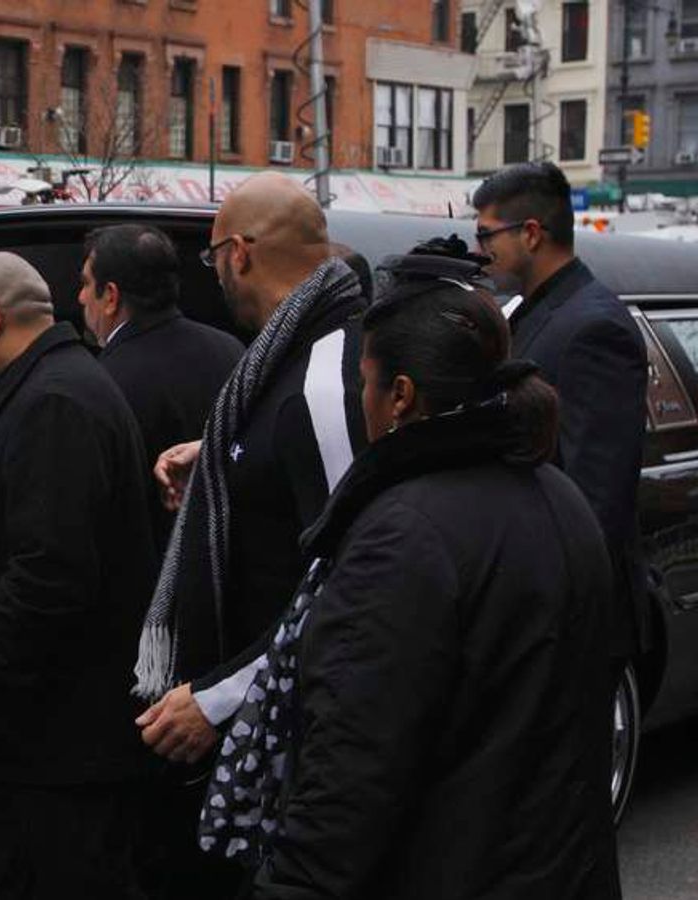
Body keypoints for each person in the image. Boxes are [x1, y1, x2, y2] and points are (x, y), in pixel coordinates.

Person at [214, 254, 620, 899]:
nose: (362, 401)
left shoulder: (402, 534)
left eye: (367, 383)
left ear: (400, 395)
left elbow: (352, 766)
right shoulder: (555, 493)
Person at [132, 173, 368, 893]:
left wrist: (220, 697)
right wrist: (216, 461)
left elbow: (353, 579)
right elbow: (288, 459)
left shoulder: (328, 375)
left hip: (293, 724)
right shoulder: (287, 354)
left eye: (212, 260)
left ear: (238, 254)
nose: (216, 278)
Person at [0, 251, 158, 899]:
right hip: (51, 734)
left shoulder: (54, 404)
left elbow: (51, 575)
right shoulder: (52, 389)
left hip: (61, 738)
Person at [473, 161, 648, 663]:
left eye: (487, 235)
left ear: (530, 233)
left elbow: (597, 497)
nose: (481, 250)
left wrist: (545, 614)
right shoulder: (539, 310)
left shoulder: (594, 328)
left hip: (564, 615)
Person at [77, 223, 244, 545]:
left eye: (86, 283)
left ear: (110, 296)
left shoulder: (101, 383)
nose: (80, 296)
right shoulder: (232, 350)